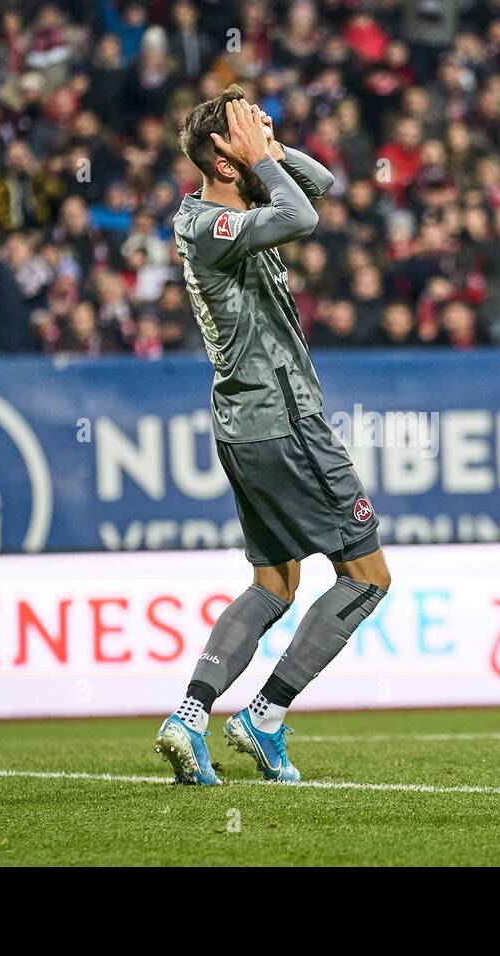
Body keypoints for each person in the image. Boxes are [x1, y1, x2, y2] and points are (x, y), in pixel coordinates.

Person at [155, 86, 391, 786]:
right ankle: (265, 713)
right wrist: (264, 160)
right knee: (368, 577)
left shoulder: (230, 207)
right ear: (224, 162)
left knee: (274, 583)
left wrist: (270, 149)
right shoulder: (209, 225)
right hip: (283, 421)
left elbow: (320, 185)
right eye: (249, 132)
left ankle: (190, 718)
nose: (265, 132)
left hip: (244, 425)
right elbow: (305, 211)